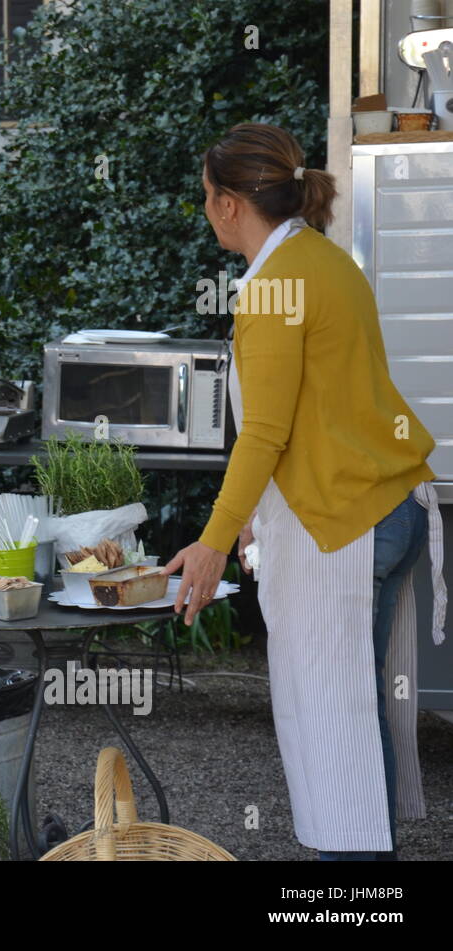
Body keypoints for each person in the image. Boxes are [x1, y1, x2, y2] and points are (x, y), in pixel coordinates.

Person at [165, 123, 445, 861]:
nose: (204, 207)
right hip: (390, 509)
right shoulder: (324, 260)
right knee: (353, 717)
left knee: (330, 727)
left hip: (345, 529)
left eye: (205, 194)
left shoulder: (274, 287)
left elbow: (266, 432)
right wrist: (260, 520)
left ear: (229, 204)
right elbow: (329, 408)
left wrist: (214, 541)